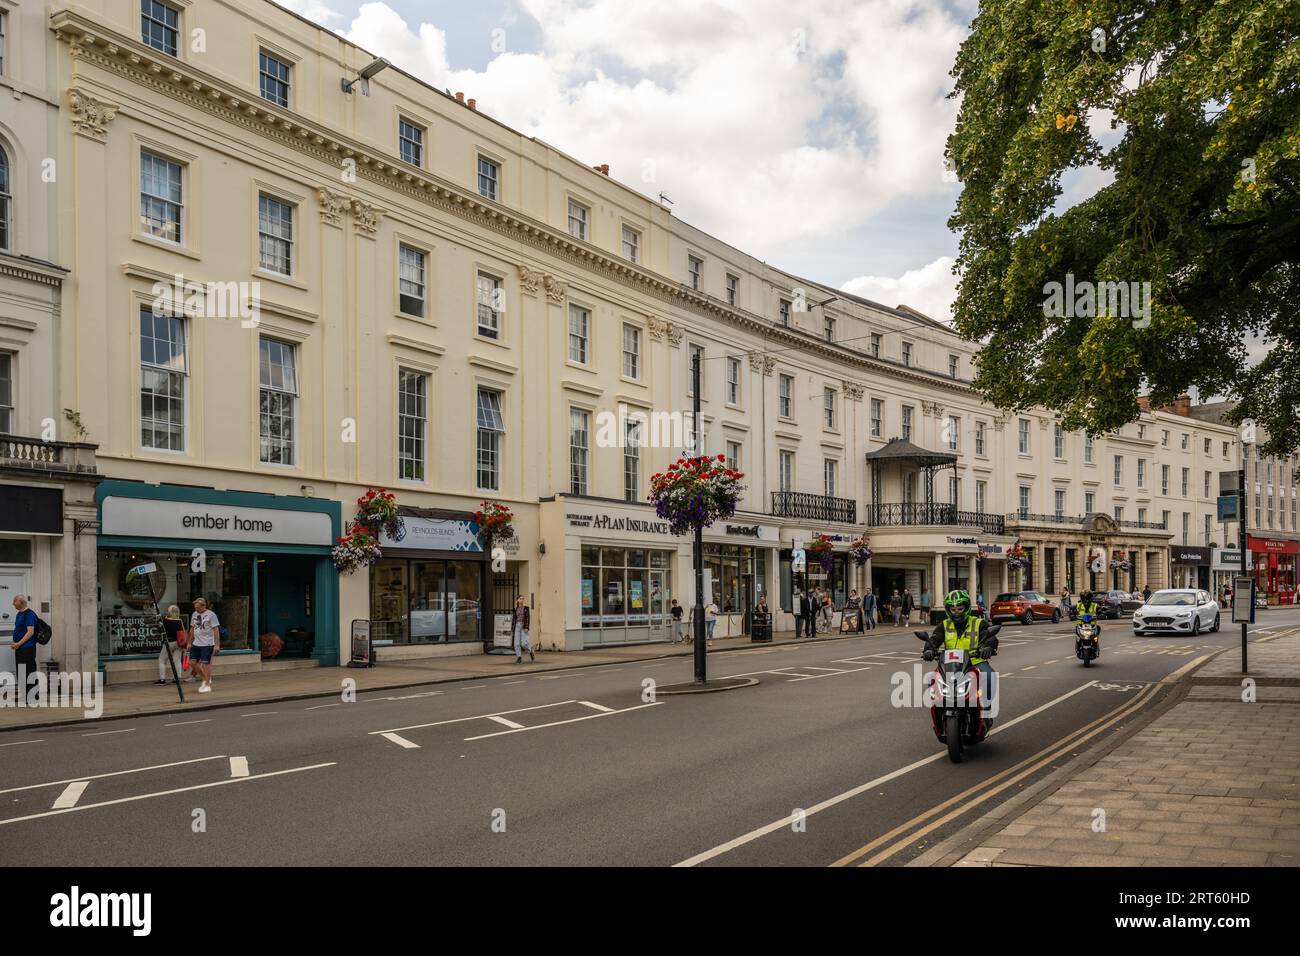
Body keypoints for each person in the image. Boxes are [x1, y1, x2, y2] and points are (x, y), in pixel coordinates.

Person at [923, 589, 999, 705]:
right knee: (931, 679)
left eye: (960, 609)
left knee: (990, 676)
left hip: (975, 661)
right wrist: (928, 649)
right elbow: (934, 639)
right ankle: (938, 713)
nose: (956, 613)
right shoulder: (944, 625)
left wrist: (988, 647)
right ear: (948, 610)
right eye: (953, 610)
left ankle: (986, 709)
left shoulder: (979, 623)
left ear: (967, 607)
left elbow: (990, 638)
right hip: (950, 664)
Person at [188, 596, 221, 694]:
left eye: (198, 607)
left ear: (203, 606)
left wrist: (216, 645)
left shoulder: (211, 615)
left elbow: (216, 630)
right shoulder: (194, 614)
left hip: (207, 643)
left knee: (205, 663)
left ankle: (207, 684)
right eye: (195, 607)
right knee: (192, 662)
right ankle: (205, 679)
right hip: (196, 643)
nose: (196, 609)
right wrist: (189, 642)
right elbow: (192, 629)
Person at [10, 595, 39, 700]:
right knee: (21, 671)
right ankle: (24, 694)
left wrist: (19, 643)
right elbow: (19, 629)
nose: (13, 603)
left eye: (15, 601)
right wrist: (15, 642)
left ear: (21, 602)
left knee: (29, 670)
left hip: (27, 647)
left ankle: (32, 695)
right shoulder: (19, 614)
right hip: (20, 647)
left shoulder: (29, 614)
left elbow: (30, 632)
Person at [157, 604, 185, 684]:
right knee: (177, 660)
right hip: (179, 643)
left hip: (168, 642)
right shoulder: (179, 621)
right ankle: (177, 678)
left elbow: (160, 631)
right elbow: (183, 632)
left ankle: (162, 679)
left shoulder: (165, 621)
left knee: (162, 660)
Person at [1076, 589, 1102, 658]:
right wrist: (1072, 612)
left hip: (1092, 625)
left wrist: (1101, 610)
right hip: (1081, 625)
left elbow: (1099, 608)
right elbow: (1074, 609)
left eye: (1087, 597)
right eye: (1084, 598)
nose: (1086, 599)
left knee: (1098, 629)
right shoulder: (1078, 605)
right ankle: (1078, 648)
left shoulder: (1094, 605)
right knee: (1078, 635)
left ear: (1091, 598)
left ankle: (1096, 646)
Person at [512, 595, 535, 663]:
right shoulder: (515, 608)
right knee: (516, 643)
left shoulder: (526, 608)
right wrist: (512, 629)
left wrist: (527, 627)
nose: (522, 600)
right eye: (520, 599)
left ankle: (530, 651)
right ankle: (519, 657)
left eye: (523, 599)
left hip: (523, 626)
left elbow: (528, 618)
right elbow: (514, 619)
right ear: (517, 600)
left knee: (524, 644)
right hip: (517, 626)